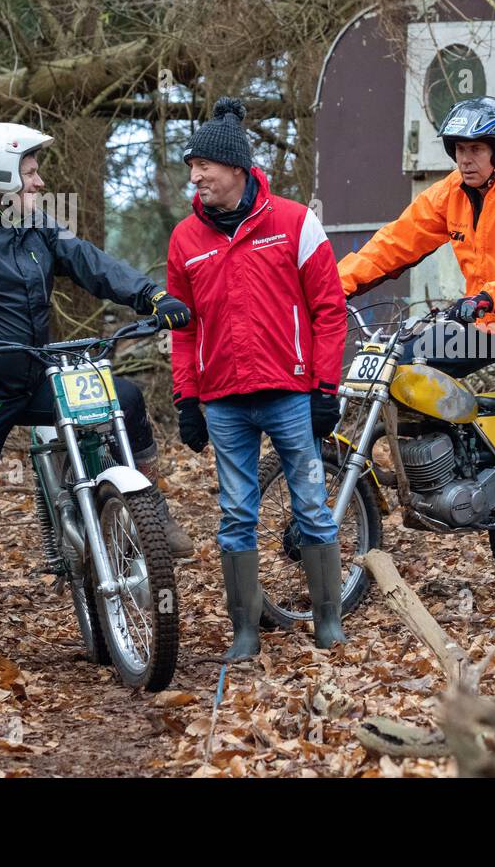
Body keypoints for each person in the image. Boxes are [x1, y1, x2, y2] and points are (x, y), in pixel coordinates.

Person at [0, 121, 194, 664]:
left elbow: (90, 262)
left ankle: (149, 511)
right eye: (29, 173)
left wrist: (149, 295)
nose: (40, 182)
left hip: (31, 374)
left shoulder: (35, 225)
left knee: (126, 399)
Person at [337, 96, 495, 595]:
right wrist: (333, 286)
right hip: (483, 320)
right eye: (458, 149)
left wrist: (490, 296)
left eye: (476, 149)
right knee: (403, 363)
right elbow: (394, 242)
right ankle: (446, 464)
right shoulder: (448, 194)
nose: (465, 159)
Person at [166, 97, 349, 658]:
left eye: (205, 167)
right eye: (191, 166)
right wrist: (186, 399)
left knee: (313, 506)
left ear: (238, 170)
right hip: (222, 401)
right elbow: (182, 328)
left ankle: (327, 623)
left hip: (291, 394)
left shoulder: (295, 222)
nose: (196, 177)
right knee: (236, 512)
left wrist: (325, 387)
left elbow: (329, 309)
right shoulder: (184, 241)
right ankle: (245, 631)